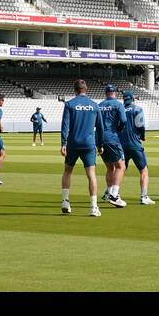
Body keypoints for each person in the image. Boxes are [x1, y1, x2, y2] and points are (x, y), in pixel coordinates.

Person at [61, 78, 104, 216]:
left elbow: (65, 125)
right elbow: (100, 127)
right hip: (88, 144)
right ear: (86, 89)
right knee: (91, 175)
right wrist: (100, 144)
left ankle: (65, 202)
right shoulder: (94, 105)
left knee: (67, 171)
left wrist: (63, 143)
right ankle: (93, 207)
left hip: (73, 143)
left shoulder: (69, 104)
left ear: (75, 90)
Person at [98, 84, 129, 208]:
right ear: (115, 93)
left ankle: (109, 192)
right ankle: (114, 195)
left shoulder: (99, 105)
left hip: (99, 138)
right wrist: (119, 129)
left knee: (110, 167)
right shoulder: (118, 104)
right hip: (112, 137)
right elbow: (124, 120)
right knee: (121, 166)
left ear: (106, 93)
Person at [121, 90, 155, 205]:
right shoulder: (137, 109)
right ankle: (144, 196)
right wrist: (143, 136)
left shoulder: (119, 109)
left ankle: (112, 193)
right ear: (132, 98)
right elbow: (140, 125)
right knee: (143, 170)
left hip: (121, 144)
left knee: (119, 170)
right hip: (135, 144)